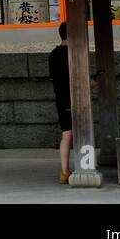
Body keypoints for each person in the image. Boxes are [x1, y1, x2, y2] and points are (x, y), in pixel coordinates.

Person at [49, 22, 73, 184]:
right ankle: (65, 171)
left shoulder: (53, 54)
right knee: (69, 134)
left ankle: (65, 171)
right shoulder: (71, 53)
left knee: (66, 133)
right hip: (70, 97)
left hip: (60, 96)